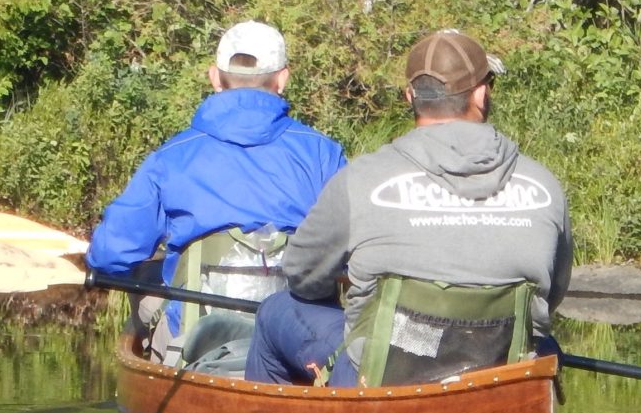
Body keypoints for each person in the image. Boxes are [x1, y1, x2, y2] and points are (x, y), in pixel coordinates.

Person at [245, 29, 572, 386]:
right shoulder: (545, 187)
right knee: (545, 346)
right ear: (480, 94)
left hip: (379, 382)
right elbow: (551, 294)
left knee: (275, 311)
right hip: (500, 383)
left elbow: (302, 276)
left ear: (410, 96)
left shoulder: (361, 180)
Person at [86, 20, 346, 357]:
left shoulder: (171, 157)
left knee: (144, 278)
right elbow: (352, 254)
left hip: (197, 336)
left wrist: (97, 257)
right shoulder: (325, 155)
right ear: (282, 79)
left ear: (214, 78)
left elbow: (111, 257)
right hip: (298, 341)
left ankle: (166, 363)